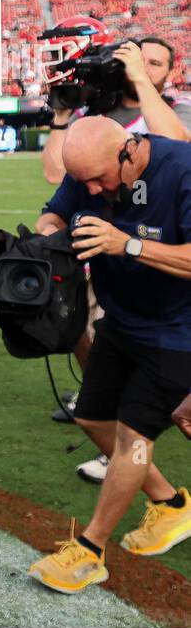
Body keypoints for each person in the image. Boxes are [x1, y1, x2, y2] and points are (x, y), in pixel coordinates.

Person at [29, 116, 191, 593]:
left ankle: (90, 549)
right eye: (84, 183)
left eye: (101, 178)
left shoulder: (182, 168)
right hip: (119, 324)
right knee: (93, 419)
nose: (94, 191)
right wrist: (52, 239)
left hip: (177, 335)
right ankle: (172, 506)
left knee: (133, 439)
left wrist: (129, 245)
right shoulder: (87, 176)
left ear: (130, 149)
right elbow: (54, 214)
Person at [40, 20, 191, 481]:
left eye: (153, 62)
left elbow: (178, 145)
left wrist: (143, 82)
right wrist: (63, 115)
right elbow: (54, 174)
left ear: (167, 73)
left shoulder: (170, 110)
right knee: (85, 329)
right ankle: (107, 415)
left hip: (158, 267)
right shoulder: (96, 111)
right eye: (135, 58)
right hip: (100, 252)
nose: (139, 66)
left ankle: (132, 454)